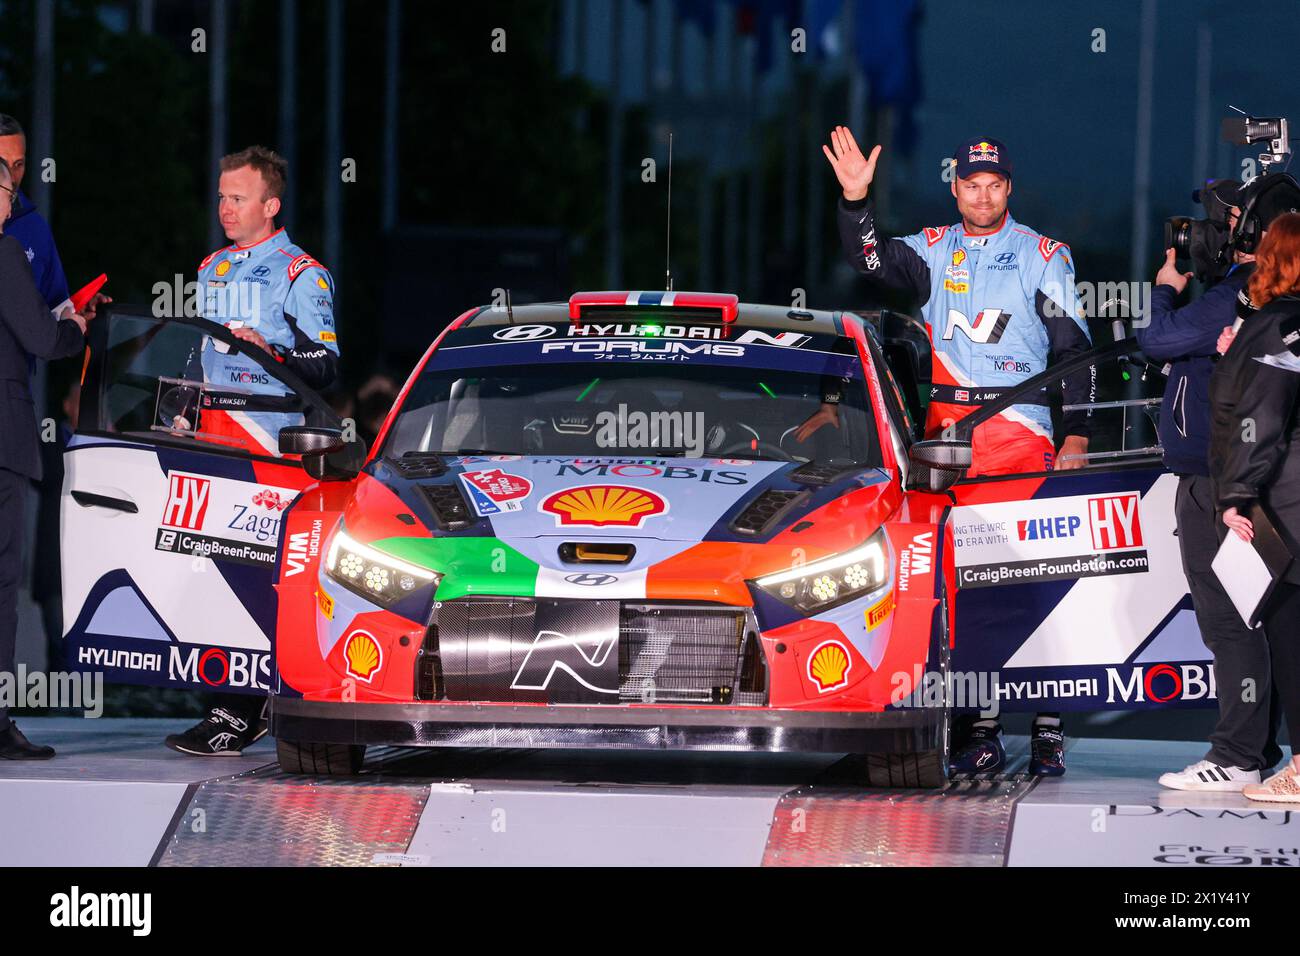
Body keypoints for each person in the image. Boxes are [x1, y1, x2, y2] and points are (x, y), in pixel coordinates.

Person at [824, 128, 1097, 776]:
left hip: (1018, 427)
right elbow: (869, 263)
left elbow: (1075, 346)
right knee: (958, 583)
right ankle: (981, 725)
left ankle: (1049, 724)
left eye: (993, 184)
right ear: (957, 188)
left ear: (1009, 188)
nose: (982, 194)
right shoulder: (933, 248)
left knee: (1025, 573)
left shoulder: (1041, 253)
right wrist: (855, 201)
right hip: (946, 438)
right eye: (971, 184)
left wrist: (1078, 434)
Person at [164, 146, 339, 757]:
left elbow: (326, 366)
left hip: (268, 443)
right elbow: (198, 353)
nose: (225, 208)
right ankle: (222, 708)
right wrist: (178, 415)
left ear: (271, 204)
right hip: (211, 440)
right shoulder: (210, 266)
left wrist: (272, 350)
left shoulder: (301, 273)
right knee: (209, 572)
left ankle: (257, 706)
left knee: (259, 579)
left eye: (237, 198)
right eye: (220, 196)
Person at [1142, 183, 1296, 791]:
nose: (1211, 230)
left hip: (1223, 481)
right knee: (1252, 619)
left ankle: (1237, 756)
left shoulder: (1239, 296)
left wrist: (1164, 290)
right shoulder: (1248, 298)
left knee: (1233, 619)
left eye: (1227, 218)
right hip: (1228, 477)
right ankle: (1248, 751)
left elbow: (1156, 341)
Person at [1208, 211, 1300, 803]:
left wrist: (1237, 492)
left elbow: (1257, 419)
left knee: (1291, 631)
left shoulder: (1278, 324)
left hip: (1288, 495)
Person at [0, 156, 90, 759]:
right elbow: (41, 338)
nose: (14, 199)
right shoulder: (5, 251)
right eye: (8, 187)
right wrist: (75, 325)